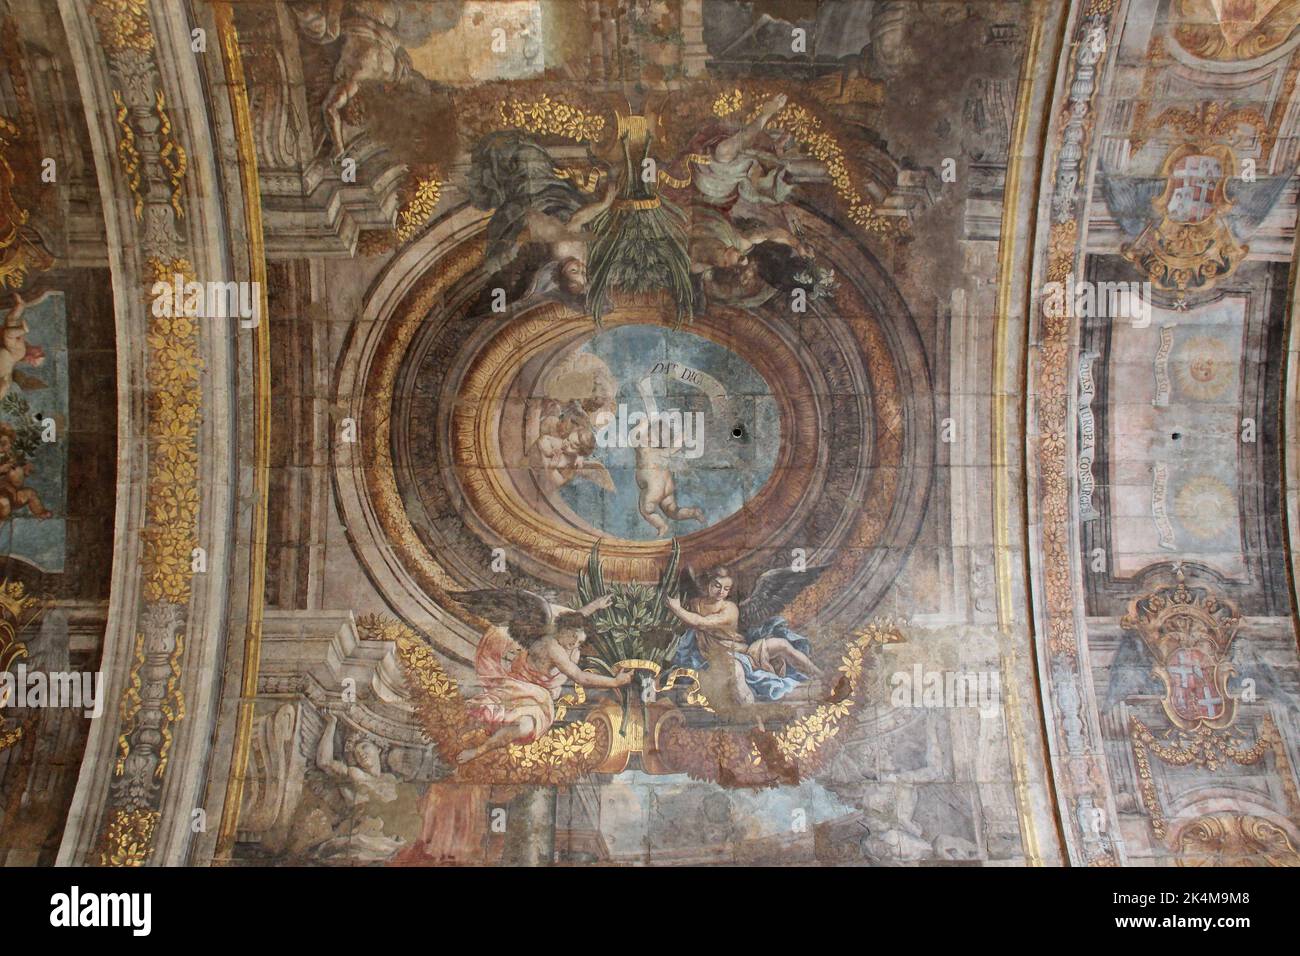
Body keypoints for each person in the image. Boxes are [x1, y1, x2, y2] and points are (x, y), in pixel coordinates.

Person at [457, 596, 631, 764]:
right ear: (567, 631)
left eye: (578, 643)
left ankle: (479, 750)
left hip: (537, 699)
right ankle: (477, 750)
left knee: (524, 728)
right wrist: (615, 682)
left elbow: (576, 618)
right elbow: (580, 676)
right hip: (520, 689)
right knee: (485, 713)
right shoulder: (552, 647)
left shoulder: (557, 630)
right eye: (573, 639)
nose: (573, 645)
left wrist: (595, 605)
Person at [665, 567, 822, 708]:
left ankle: (820, 675)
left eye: (726, 589)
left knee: (782, 644)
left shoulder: (730, 609)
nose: (721, 592)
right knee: (736, 673)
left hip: (744, 652)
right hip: (720, 658)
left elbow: (702, 623)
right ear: (708, 584)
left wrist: (677, 609)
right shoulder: (694, 604)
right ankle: (751, 715)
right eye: (717, 586)